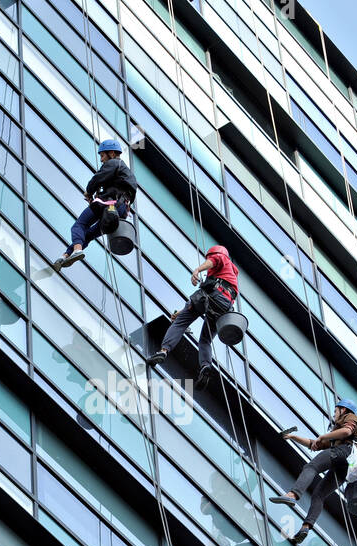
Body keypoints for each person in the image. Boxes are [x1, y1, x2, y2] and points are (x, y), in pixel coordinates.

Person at [146, 245, 239, 390]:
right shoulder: (230, 274)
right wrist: (182, 310)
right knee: (206, 340)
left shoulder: (221, 259)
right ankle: (206, 366)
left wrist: (197, 270)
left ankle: (164, 351)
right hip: (223, 308)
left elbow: (215, 260)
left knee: (180, 323)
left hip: (211, 296)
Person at [268, 400, 357, 540]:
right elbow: (315, 445)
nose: (334, 414)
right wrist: (293, 437)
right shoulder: (335, 434)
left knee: (311, 467)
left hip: (344, 452)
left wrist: (323, 436)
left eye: (335, 411)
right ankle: (306, 527)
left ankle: (292, 495)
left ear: (343, 409)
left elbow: (347, 431)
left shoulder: (351, 417)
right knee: (319, 495)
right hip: (347, 466)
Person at [53, 139, 138, 271]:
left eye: (102, 155)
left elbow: (98, 178)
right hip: (120, 212)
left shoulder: (114, 163)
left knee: (79, 225)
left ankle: (76, 251)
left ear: (111, 153)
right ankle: (67, 255)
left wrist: (89, 191)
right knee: (89, 235)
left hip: (109, 204)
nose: (102, 160)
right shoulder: (127, 173)